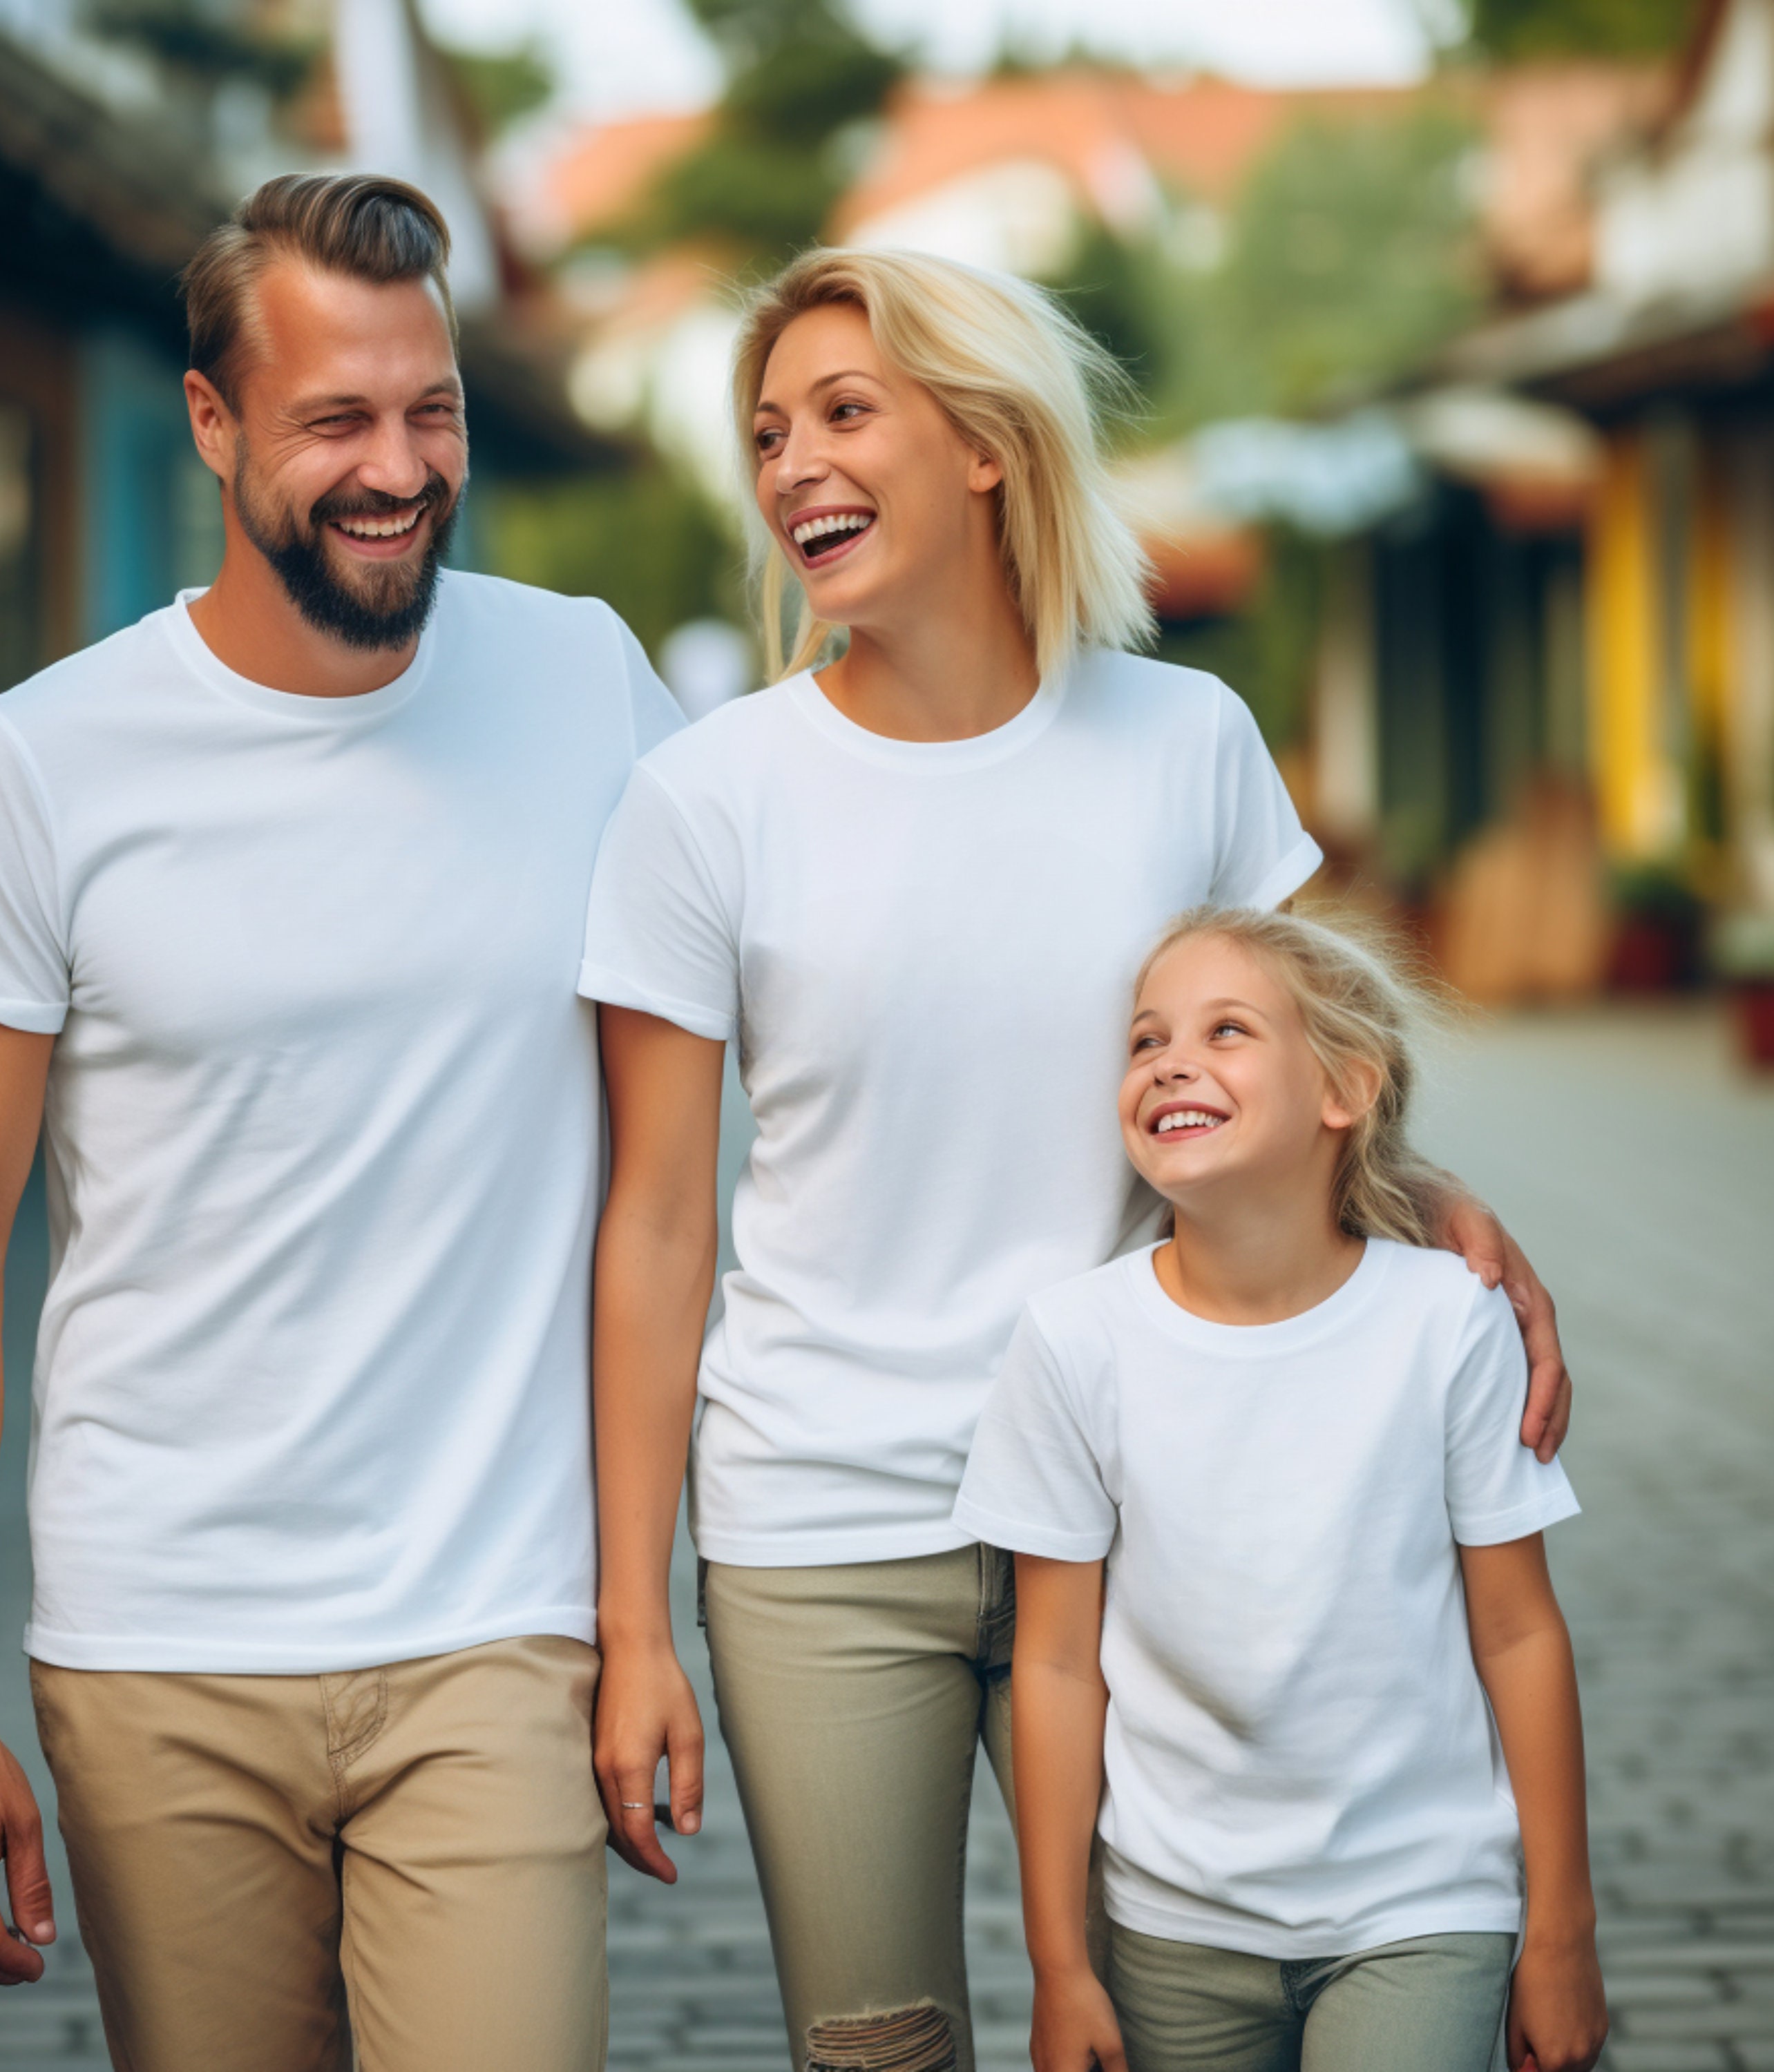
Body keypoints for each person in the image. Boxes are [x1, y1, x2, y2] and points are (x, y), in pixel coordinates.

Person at [580, 247, 1574, 2072]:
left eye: (846, 412)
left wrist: (1445, 1215)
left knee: (1141, 2026)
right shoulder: (707, 797)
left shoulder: (1181, 741)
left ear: (983, 439)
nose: (794, 462)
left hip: (1151, 1503)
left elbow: (1297, 1068)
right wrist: (629, 1619)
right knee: (877, 2049)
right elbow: (651, 1225)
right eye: (768, 432)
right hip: (825, 1520)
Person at [0, 172, 679, 2072]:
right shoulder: (41, 769)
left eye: (433, 408)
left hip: (501, 1620)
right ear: (216, 424)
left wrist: (1364, 1175)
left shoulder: (592, 690)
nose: (400, 468)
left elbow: (851, 968)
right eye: (338, 421)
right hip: (163, 1642)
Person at [956, 905, 1608, 2072]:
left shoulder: (1448, 1324)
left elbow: (1518, 1633)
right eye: (1147, 1041)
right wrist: (1062, 1967)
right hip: (1173, 1929)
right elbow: (1054, 1665)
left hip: (1421, 1907)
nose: (1170, 1062)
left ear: (1343, 1090)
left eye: (1227, 1030)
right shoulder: (1073, 1342)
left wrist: (1561, 1934)